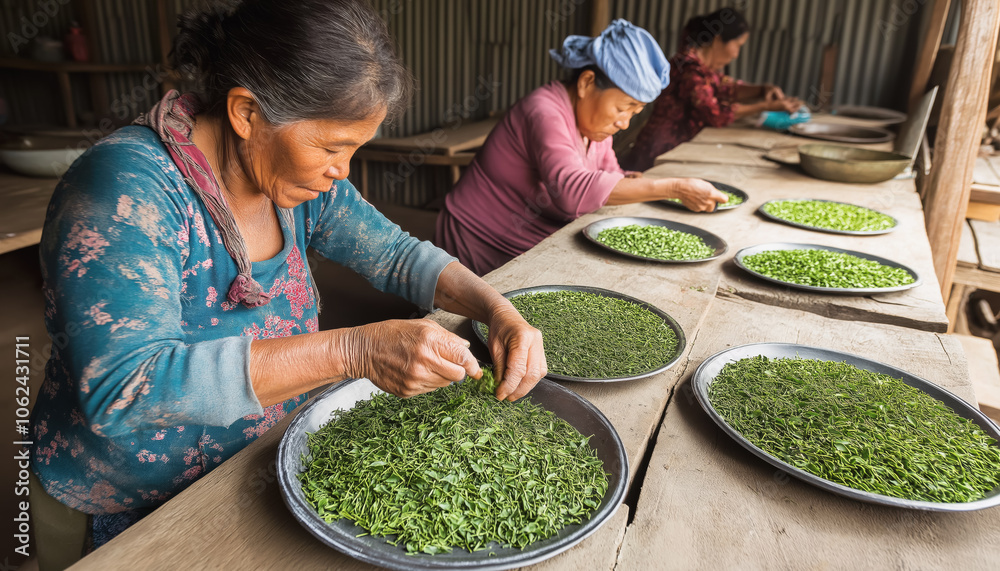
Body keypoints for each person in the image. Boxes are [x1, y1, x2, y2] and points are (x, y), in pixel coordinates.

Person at [28, 0, 546, 553]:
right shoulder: (125, 191)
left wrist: (499, 311)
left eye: (353, 150)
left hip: (254, 469)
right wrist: (353, 351)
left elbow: (396, 254)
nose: (341, 171)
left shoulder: (295, 183)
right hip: (127, 508)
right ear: (247, 112)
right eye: (331, 147)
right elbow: (127, 389)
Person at [435, 20, 727, 276]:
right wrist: (675, 188)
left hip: (537, 241)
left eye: (635, 113)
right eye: (623, 107)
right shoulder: (545, 110)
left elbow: (612, 174)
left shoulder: (595, 126)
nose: (625, 123)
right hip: (479, 243)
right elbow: (571, 190)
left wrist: (632, 181)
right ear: (587, 83)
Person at [621, 8, 804, 172]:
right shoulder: (688, 68)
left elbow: (726, 87)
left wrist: (762, 90)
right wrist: (767, 106)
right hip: (658, 154)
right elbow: (714, 112)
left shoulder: (703, 69)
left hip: (675, 150)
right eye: (738, 45)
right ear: (718, 40)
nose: (736, 54)